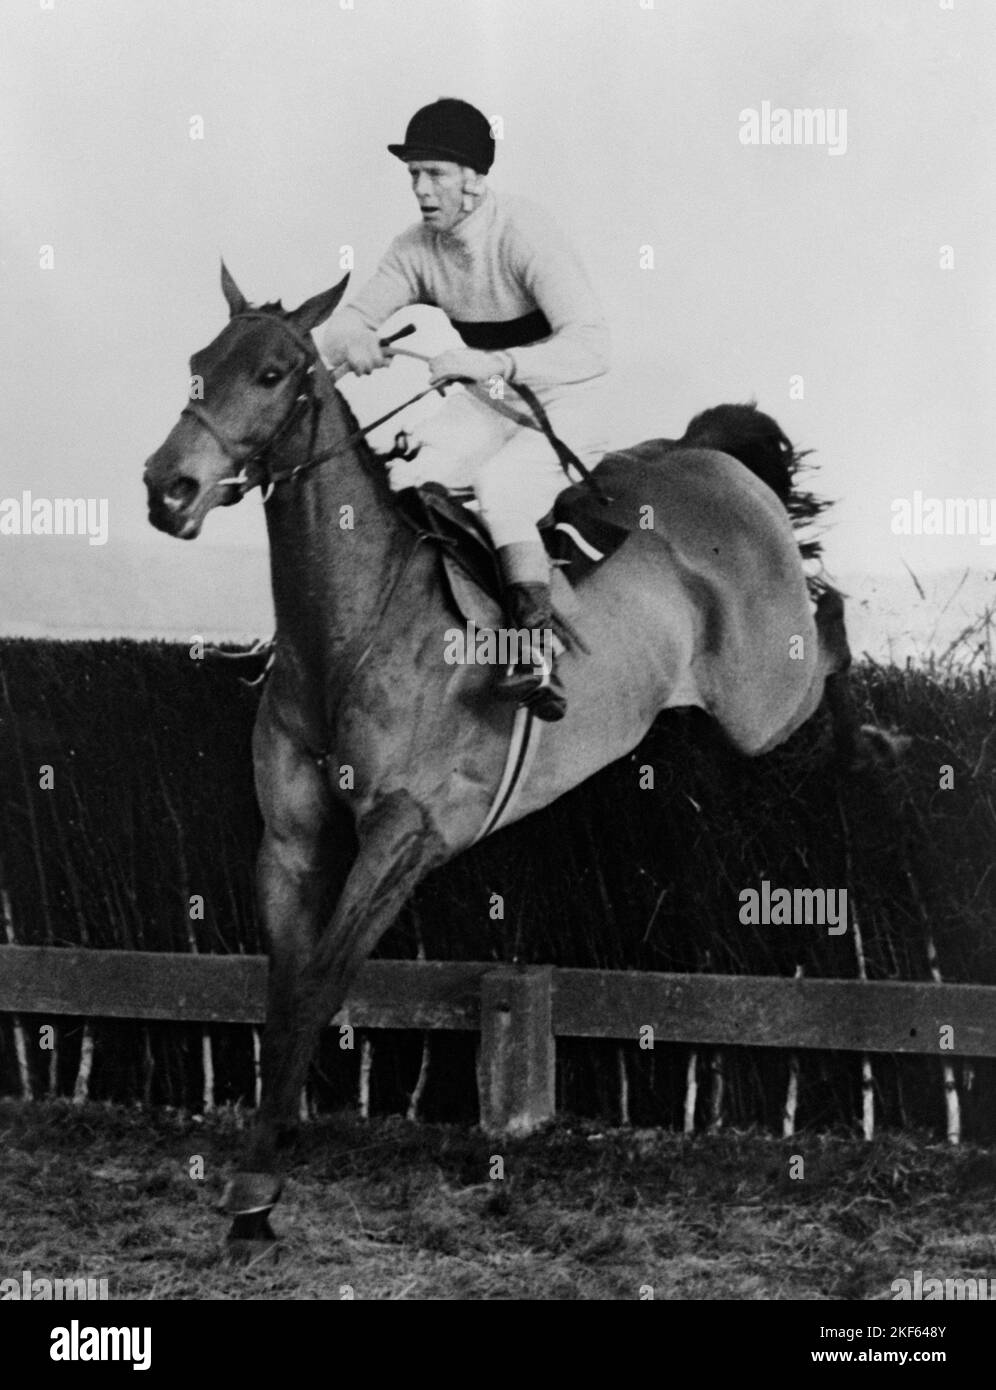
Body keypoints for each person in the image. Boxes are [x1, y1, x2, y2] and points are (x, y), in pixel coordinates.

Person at [315, 97, 611, 720]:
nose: (421, 190)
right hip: (491, 403)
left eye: (435, 174)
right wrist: (357, 339)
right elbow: (347, 323)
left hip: (565, 400)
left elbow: (592, 345)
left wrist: (498, 363)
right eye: (413, 175)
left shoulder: (523, 230)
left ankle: (532, 650)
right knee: (404, 479)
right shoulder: (415, 249)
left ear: (475, 179)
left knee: (500, 488)